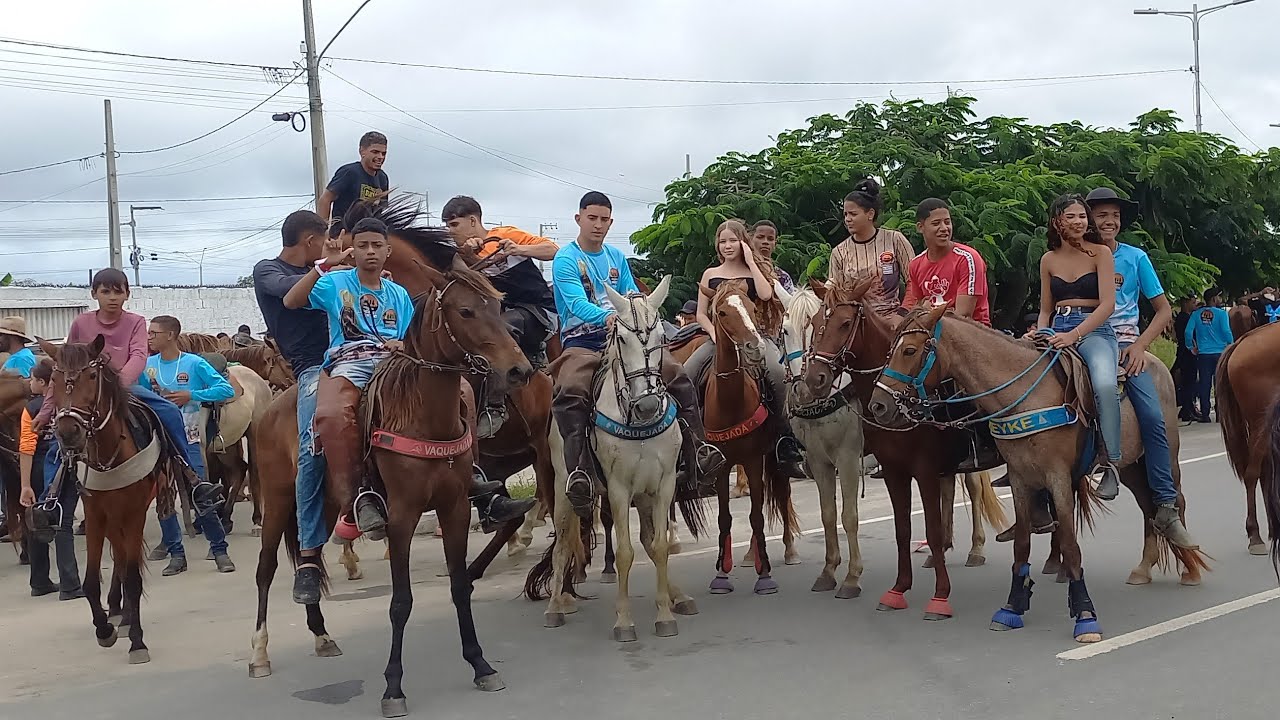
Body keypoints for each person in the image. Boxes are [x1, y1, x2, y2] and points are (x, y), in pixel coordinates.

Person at [283, 217, 533, 546]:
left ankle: (473, 478)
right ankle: (358, 498)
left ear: (388, 251)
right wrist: (322, 266)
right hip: (350, 363)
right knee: (331, 415)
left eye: (376, 245)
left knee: (464, 391)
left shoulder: (398, 293)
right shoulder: (335, 283)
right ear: (352, 251)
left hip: (394, 364)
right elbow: (291, 301)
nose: (370, 251)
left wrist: (400, 345)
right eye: (362, 245)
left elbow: (404, 336)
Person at [550, 191, 725, 514]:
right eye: (592, 218)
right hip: (583, 342)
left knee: (677, 375)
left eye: (604, 219)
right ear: (579, 219)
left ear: (611, 221)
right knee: (571, 390)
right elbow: (575, 304)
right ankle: (579, 473)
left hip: (628, 338)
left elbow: (632, 294)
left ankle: (698, 451)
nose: (598, 225)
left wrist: (638, 315)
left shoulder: (616, 257)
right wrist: (610, 317)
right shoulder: (565, 259)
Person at [31, 269, 222, 534]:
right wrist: (47, 410)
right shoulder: (80, 324)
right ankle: (49, 501)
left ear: (127, 294)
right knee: (59, 436)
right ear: (94, 294)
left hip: (123, 388)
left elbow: (138, 356)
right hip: (86, 392)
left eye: (118, 291)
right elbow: (65, 370)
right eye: (105, 291)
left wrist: (116, 386)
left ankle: (192, 476)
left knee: (167, 410)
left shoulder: (135, 322)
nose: (112, 297)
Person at [1086, 186, 1195, 546]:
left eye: (1115, 215)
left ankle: (1165, 503)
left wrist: (1140, 345)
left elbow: (1163, 309)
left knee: (1153, 417)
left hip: (1125, 345)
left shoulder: (1135, 258)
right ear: (1088, 218)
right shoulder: (1076, 255)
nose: (1110, 221)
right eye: (1102, 215)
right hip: (1082, 339)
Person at [685, 219, 806, 478]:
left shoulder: (755, 271)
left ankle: (785, 441)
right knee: (685, 376)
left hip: (755, 338)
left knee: (778, 375)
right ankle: (692, 447)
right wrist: (715, 334)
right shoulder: (710, 274)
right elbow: (701, 314)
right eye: (722, 241)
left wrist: (751, 262)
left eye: (732, 240)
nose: (727, 246)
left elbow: (763, 295)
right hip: (720, 340)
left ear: (742, 242)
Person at [442, 196, 559, 437]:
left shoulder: (506, 235)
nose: (449, 231)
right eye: (447, 226)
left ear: (473, 220)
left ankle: (495, 408)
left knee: (502, 328)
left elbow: (553, 250)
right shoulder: (462, 254)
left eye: (454, 225)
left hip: (540, 310)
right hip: (501, 312)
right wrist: (469, 258)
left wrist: (519, 249)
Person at [902, 198, 998, 472]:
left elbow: (963, 313)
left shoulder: (968, 258)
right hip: (931, 334)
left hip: (970, 334)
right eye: (936, 223)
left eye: (947, 222)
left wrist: (924, 313)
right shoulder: (917, 264)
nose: (944, 228)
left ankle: (984, 443)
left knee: (961, 385)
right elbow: (911, 306)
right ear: (921, 227)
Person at [1037, 193, 1121, 499]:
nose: (1078, 222)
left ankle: (1111, 464)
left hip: (1095, 331)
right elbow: (1046, 308)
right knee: (1025, 380)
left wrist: (1075, 336)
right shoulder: (1048, 259)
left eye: (1082, 216)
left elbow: (1107, 305)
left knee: (1104, 384)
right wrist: (1042, 333)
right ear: (1056, 222)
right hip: (1057, 327)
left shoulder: (1100, 253)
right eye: (1070, 216)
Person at [139, 315, 237, 575]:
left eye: (154, 333)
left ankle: (220, 550)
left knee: (202, 496)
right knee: (164, 500)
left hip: (188, 440)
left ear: (170, 335)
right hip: (158, 443)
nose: (149, 337)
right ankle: (176, 555)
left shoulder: (194, 364)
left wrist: (192, 395)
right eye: (148, 333)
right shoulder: (146, 366)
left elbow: (226, 390)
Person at [18, 359, 84, 600]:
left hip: (35, 467)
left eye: (33, 379)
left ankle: (39, 581)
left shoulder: (31, 408)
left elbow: (25, 446)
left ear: (45, 383)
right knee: (63, 521)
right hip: (62, 464)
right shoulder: (74, 404)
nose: (29, 383)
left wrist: (25, 484)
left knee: (38, 519)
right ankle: (70, 584)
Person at [827, 178, 915, 312]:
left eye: (853, 214)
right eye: (845, 214)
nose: (847, 219)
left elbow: (914, 281)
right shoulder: (838, 252)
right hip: (854, 322)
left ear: (870, 214)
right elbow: (833, 293)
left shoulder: (894, 239)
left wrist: (904, 312)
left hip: (891, 318)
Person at [317, 131, 389, 228]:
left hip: (370, 234)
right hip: (345, 232)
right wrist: (323, 232)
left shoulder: (383, 178)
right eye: (375, 152)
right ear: (362, 151)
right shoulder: (349, 172)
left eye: (383, 153)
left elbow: (381, 209)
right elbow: (325, 199)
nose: (380, 157)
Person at [1184, 288, 1234, 423]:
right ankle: (1220, 413)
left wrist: (1191, 347)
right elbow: (1226, 331)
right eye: (1219, 297)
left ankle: (1205, 414)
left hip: (1204, 354)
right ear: (1213, 299)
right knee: (1219, 384)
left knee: (1205, 385)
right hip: (1220, 353)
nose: (1221, 299)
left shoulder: (1196, 314)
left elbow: (1188, 332)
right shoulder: (1222, 314)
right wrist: (1231, 345)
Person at [1172, 296, 1200, 421]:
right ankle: (1187, 409)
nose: (1195, 305)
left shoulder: (1184, 317)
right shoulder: (1185, 318)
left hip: (1185, 353)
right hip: (1187, 354)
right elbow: (1188, 335)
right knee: (1188, 382)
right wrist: (1192, 347)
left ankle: (1187, 408)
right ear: (1185, 303)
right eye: (1193, 303)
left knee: (1190, 382)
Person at [750, 221, 796, 293]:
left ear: (775, 243)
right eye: (760, 237)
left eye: (770, 239)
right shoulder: (741, 271)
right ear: (750, 239)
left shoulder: (783, 277)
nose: (765, 242)